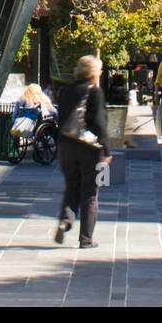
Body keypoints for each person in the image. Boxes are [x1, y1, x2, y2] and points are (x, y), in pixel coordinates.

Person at [55, 55, 111, 248]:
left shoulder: (65, 91)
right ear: (94, 73)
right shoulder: (95, 92)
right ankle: (86, 239)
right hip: (89, 149)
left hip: (66, 146)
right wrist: (106, 150)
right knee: (90, 193)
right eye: (100, 70)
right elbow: (99, 122)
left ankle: (66, 218)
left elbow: (61, 119)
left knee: (72, 185)